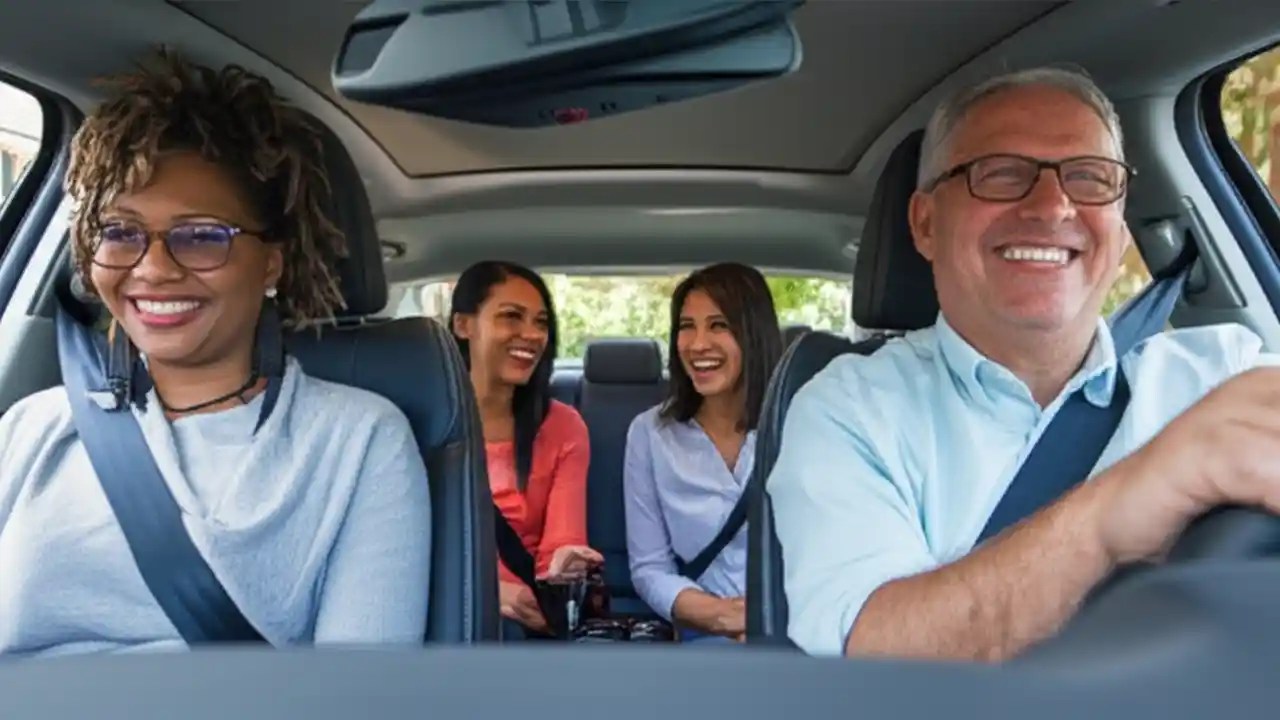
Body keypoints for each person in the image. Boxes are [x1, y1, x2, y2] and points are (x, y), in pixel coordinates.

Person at [768, 66, 1280, 661]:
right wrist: (1123, 507)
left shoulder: (1229, 374)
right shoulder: (847, 407)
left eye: (1089, 177)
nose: (1053, 205)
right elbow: (876, 662)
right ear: (926, 223)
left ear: (1119, 228)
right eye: (1003, 173)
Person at [0, 48, 432, 655]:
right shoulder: (30, 430)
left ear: (272, 263)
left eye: (202, 236)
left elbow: (356, 696)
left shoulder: (358, 442)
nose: (152, 269)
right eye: (121, 232)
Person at [624, 263, 784, 643]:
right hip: (706, 630)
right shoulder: (649, 434)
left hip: (796, 623)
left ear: (753, 334)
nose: (697, 345)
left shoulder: (802, 423)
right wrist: (720, 617)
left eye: (718, 325)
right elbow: (649, 568)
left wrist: (771, 618)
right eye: (686, 326)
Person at [449, 261, 603, 637]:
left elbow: (561, 545)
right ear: (463, 324)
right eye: (512, 317)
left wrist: (565, 568)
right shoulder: (421, 422)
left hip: (521, 617)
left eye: (541, 323)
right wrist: (486, 592)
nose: (531, 335)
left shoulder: (562, 427)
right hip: (446, 603)